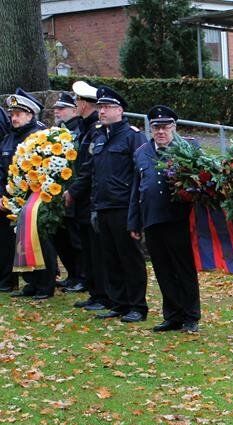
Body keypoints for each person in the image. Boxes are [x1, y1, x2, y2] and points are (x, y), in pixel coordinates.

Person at [127, 105, 200, 333]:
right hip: (152, 218)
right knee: (162, 269)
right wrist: (133, 221)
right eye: (156, 127)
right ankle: (172, 314)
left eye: (165, 127)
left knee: (183, 268)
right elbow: (136, 189)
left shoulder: (188, 148)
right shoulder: (141, 152)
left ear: (174, 127)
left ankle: (190, 315)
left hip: (179, 218)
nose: (160, 131)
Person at [83, 86, 149, 323]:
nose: (101, 111)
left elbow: (141, 173)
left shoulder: (133, 136)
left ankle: (137, 305)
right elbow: (94, 174)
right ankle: (118, 302)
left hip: (124, 206)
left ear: (119, 110)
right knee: (110, 258)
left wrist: (137, 211)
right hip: (103, 206)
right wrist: (94, 206)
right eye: (99, 107)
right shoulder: (100, 136)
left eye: (107, 107)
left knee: (130, 258)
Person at [66, 80, 111, 313]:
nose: (75, 104)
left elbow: (89, 167)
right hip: (84, 199)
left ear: (84, 104)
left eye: (77, 101)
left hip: (90, 197)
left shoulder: (95, 130)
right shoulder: (86, 129)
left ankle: (102, 294)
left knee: (96, 250)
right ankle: (95, 292)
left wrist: (72, 191)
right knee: (88, 248)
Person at [1, 90, 48, 296]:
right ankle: (30, 281)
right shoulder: (9, 138)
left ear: (30, 114)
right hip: (11, 198)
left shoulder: (38, 136)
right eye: (12, 114)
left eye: (18, 114)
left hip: (35, 198)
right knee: (20, 241)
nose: (14, 118)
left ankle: (45, 283)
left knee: (39, 240)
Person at [51, 91, 86, 293]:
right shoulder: (56, 131)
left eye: (62, 108)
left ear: (74, 110)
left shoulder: (79, 130)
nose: (57, 111)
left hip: (74, 192)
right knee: (62, 238)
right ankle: (72, 274)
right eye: (56, 108)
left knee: (76, 238)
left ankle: (81, 276)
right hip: (58, 193)